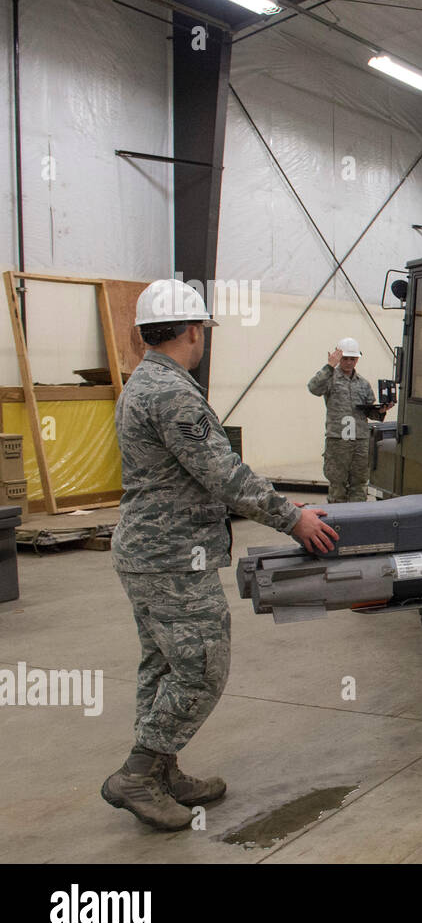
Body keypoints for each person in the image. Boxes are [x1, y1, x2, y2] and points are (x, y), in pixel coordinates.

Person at [105, 279, 338, 831]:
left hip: (151, 553)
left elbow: (201, 474)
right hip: (170, 558)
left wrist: (280, 503)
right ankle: (138, 774)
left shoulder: (146, 382)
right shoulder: (172, 393)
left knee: (162, 665)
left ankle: (162, 773)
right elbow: (222, 473)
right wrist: (292, 519)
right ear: (192, 330)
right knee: (204, 666)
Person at [307, 337, 393, 503]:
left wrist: (381, 410)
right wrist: (329, 366)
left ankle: (358, 520)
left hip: (360, 440)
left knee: (359, 484)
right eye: (344, 358)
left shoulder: (363, 384)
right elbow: (313, 388)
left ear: (357, 359)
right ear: (338, 358)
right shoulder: (330, 378)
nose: (348, 362)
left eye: (352, 359)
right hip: (338, 440)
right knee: (338, 485)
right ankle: (337, 522)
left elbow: (370, 412)